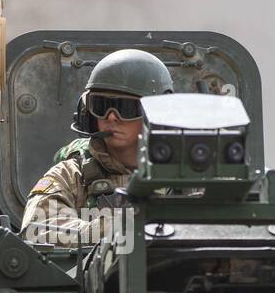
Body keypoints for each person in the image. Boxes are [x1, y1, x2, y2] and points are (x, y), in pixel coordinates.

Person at [20, 48, 173, 245]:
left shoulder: (185, 173)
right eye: (101, 105)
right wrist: (119, 229)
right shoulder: (73, 174)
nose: (110, 117)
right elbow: (37, 229)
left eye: (125, 108)